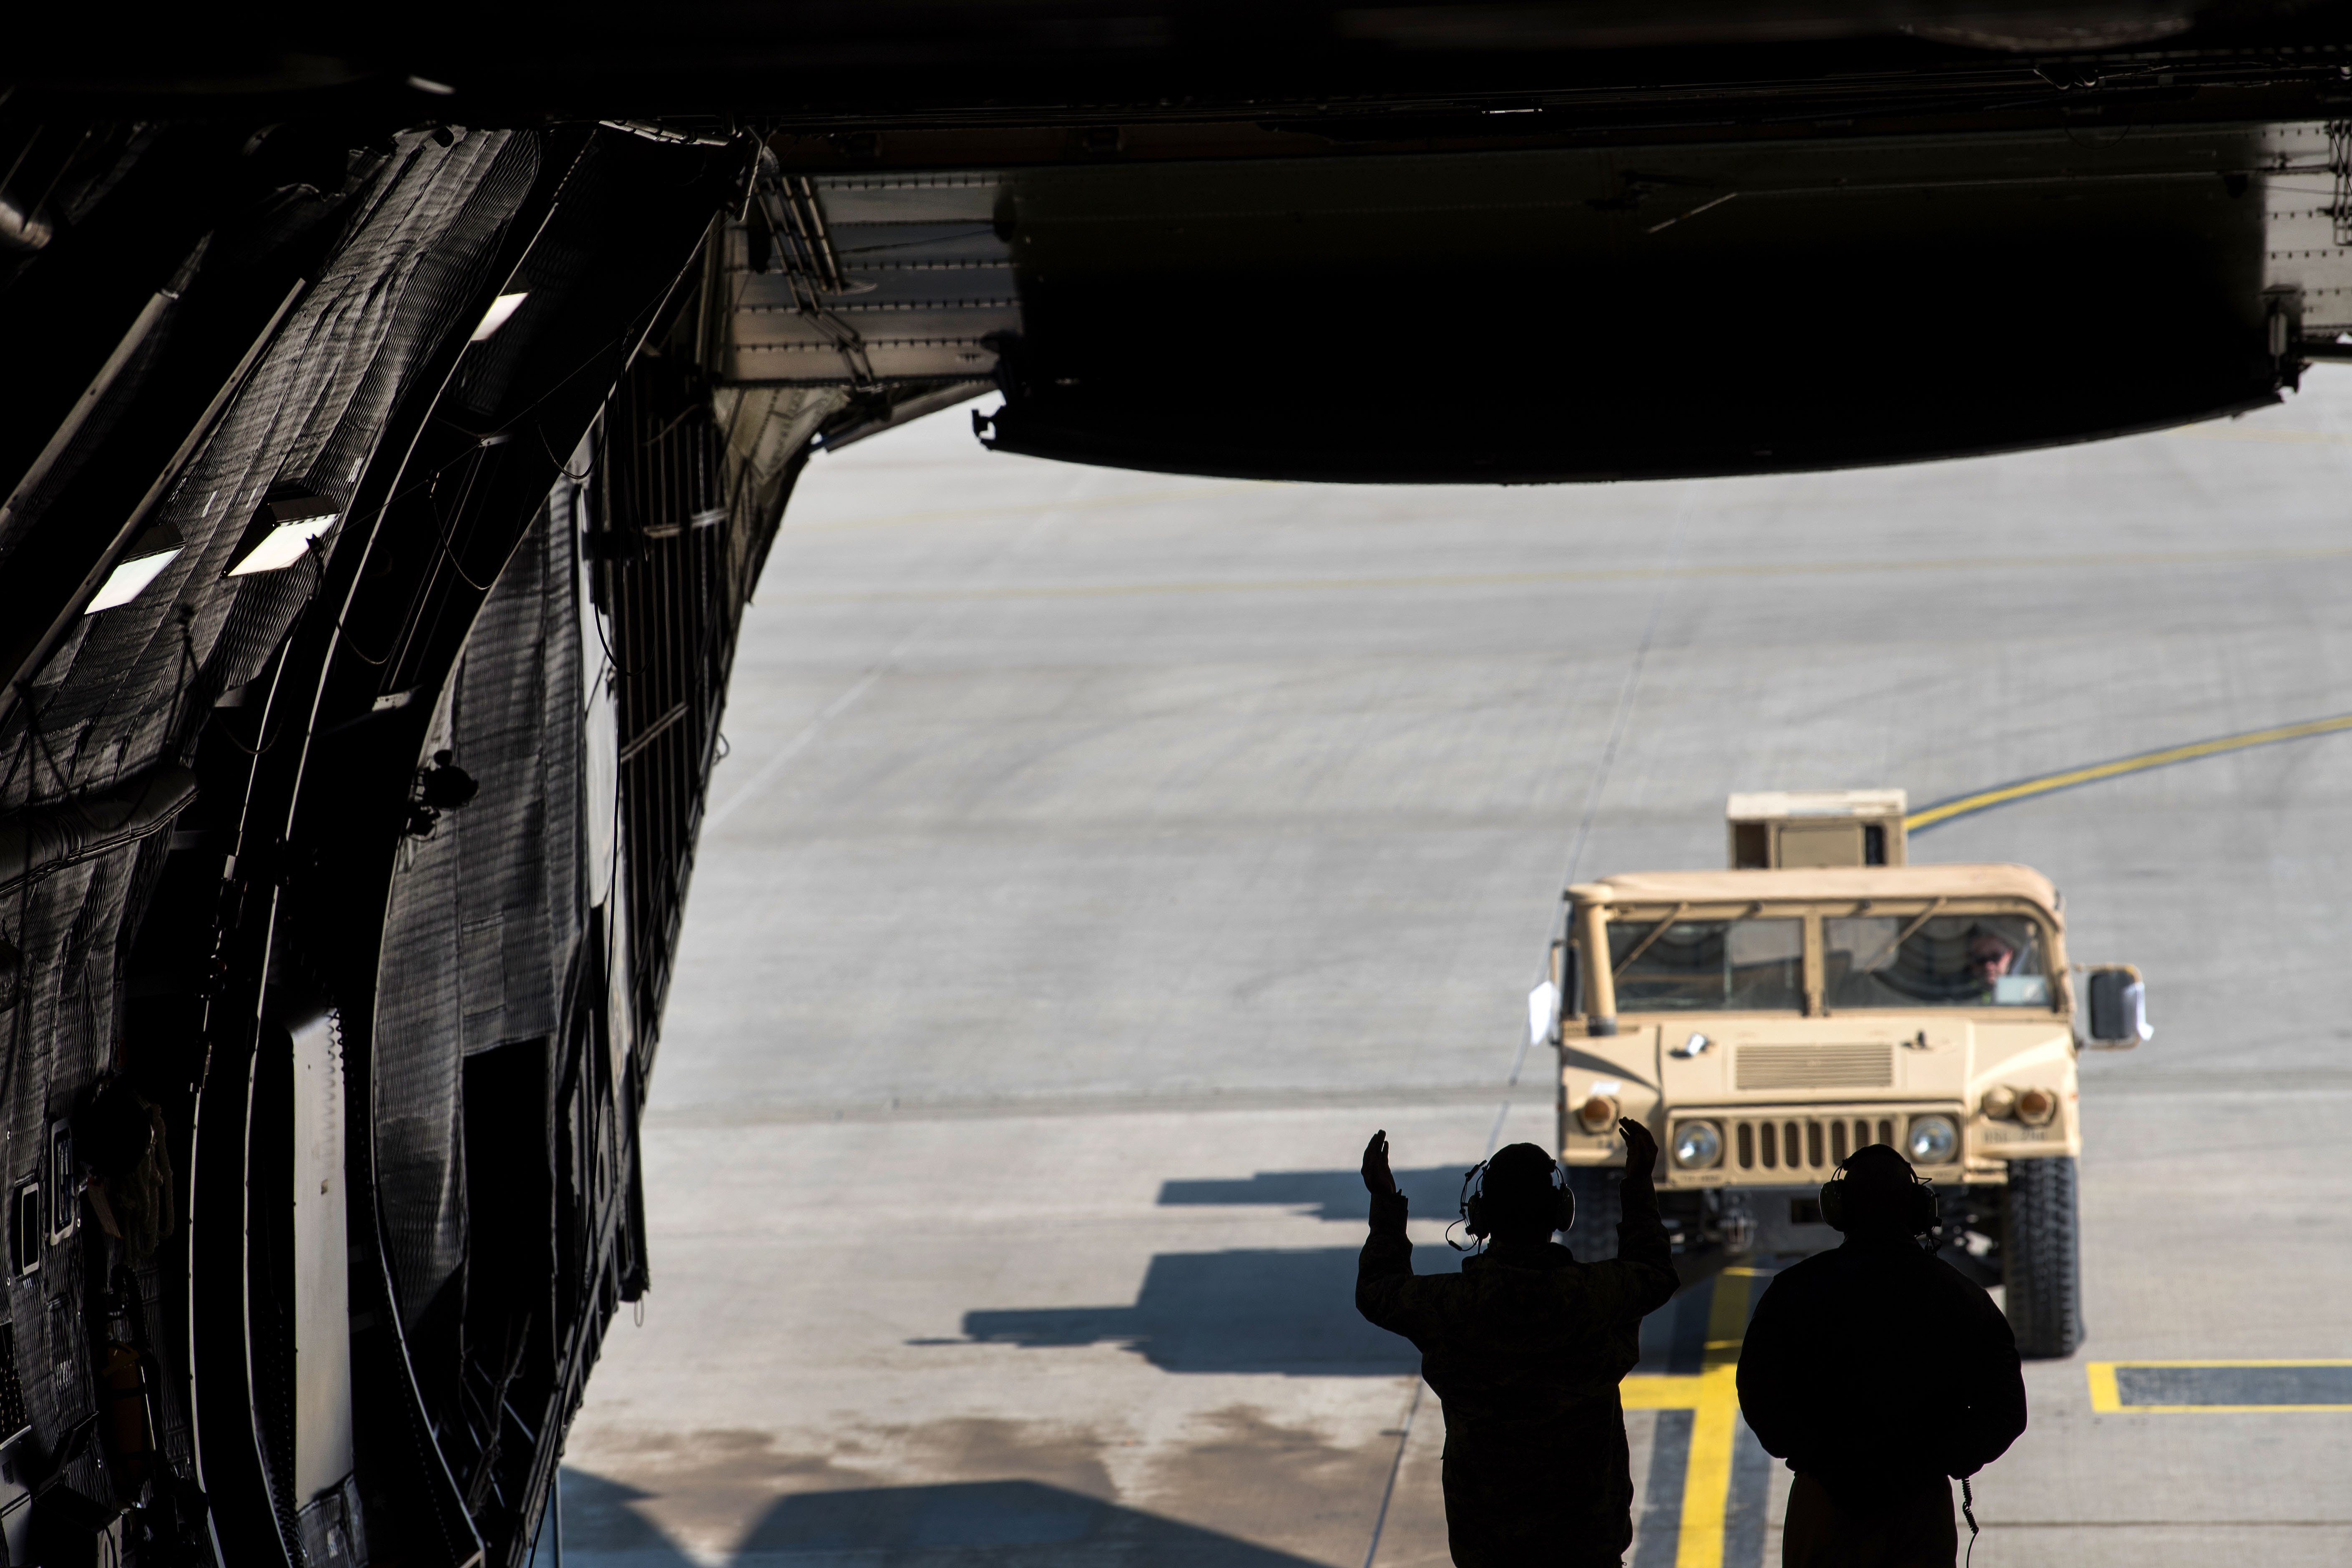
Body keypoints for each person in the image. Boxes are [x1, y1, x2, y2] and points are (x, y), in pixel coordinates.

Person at [1356, 1122, 1677, 1568]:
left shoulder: (1456, 1305)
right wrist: (1638, 1182)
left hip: (1490, 1551)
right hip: (1586, 1548)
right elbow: (1653, 1271)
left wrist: (1385, 1201)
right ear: (1560, 1213)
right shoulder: (1594, 1297)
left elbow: (1378, 1290)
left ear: (1481, 1217)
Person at [1736, 1144, 2028, 1568]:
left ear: (1838, 1210)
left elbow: (1759, 1393)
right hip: (1920, 1509)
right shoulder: (1960, 1296)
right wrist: (1936, 1462)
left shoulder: (1795, 1290)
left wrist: (1820, 1461)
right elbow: (2005, 1410)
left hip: (1825, 1503)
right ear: (1919, 1212)